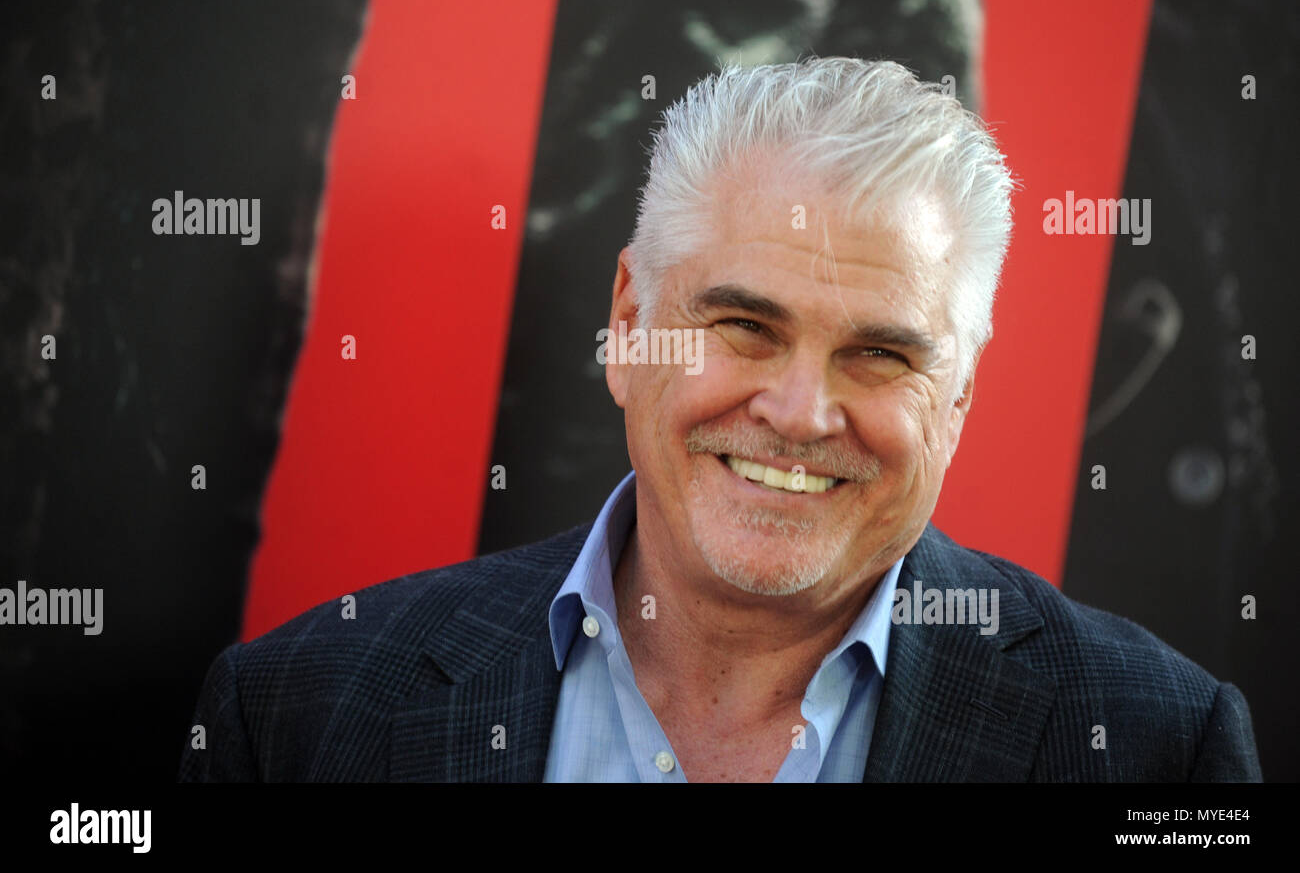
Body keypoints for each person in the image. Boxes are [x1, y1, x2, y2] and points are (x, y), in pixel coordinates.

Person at [179, 57, 1261, 782]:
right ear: (626, 321)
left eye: (880, 354)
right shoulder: (296, 715)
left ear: (961, 395)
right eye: (744, 325)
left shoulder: (1159, 742)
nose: (797, 413)